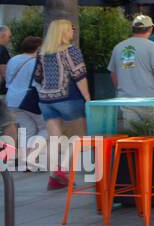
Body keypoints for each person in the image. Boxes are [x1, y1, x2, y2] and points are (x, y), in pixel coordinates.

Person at [34, 19, 91, 190]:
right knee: (79, 137)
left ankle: (53, 177)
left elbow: (37, 76)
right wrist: (88, 98)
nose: (73, 32)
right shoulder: (71, 50)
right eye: (71, 29)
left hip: (45, 100)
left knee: (54, 139)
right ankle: (63, 170)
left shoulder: (42, 52)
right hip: (69, 98)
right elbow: (79, 75)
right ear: (64, 32)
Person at [109, 15, 154, 99]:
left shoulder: (118, 47)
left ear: (133, 29)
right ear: (150, 29)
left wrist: (123, 92)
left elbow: (113, 74)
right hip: (151, 101)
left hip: (125, 101)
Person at [2, 36, 45, 155]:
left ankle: (25, 160)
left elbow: (7, 78)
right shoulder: (38, 62)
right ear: (39, 48)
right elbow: (39, 83)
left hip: (12, 100)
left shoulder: (13, 60)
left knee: (27, 130)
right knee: (46, 128)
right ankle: (31, 156)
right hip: (29, 100)